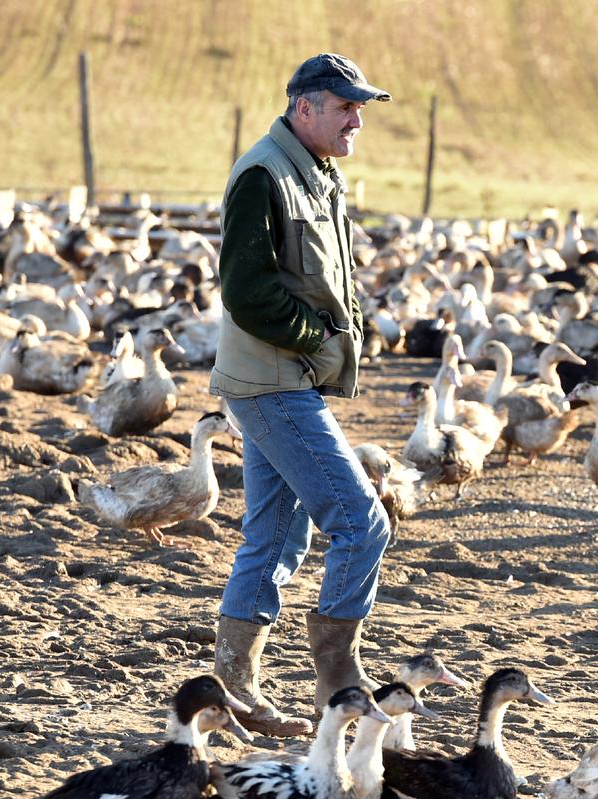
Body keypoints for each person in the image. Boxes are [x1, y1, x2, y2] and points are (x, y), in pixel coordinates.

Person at [208, 53, 392, 736]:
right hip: (271, 378)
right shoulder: (264, 174)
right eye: (346, 106)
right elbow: (246, 289)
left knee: (277, 533)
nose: (358, 119)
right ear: (305, 106)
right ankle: (337, 677)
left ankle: (235, 692)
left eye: (362, 107)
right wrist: (316, 338)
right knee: (361, 520)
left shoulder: (314, 171)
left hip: (287, 378)